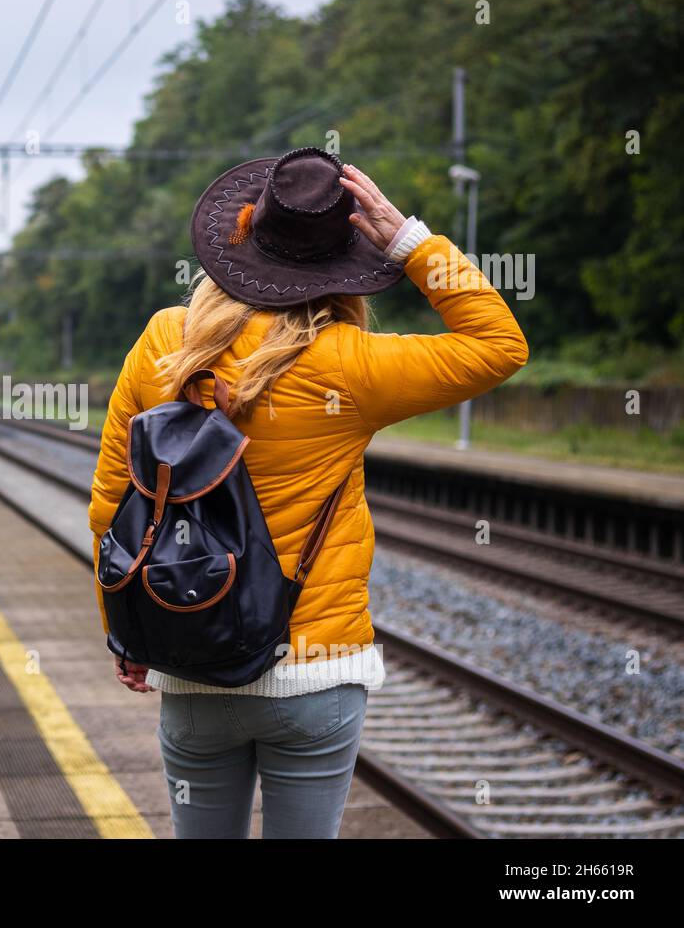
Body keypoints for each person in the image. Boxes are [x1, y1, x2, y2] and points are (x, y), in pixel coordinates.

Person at [88, 147, 528, 838]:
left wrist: (129, 637)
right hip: (315, 677)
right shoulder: (354, 365)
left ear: (235, 245)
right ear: (343, 266)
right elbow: (499, 343)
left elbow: (112, 509)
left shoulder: (164, 344)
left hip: (194, 662)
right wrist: (412, 242)